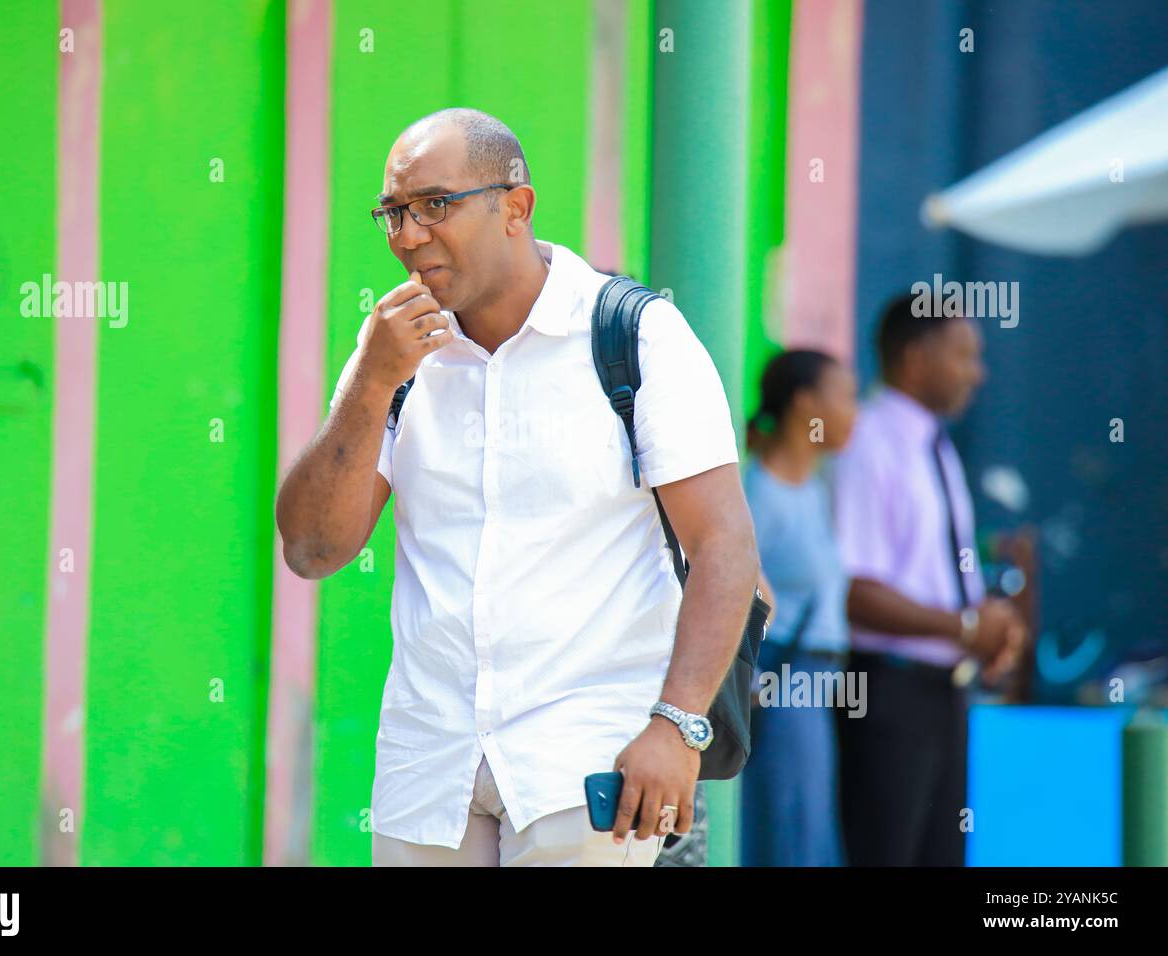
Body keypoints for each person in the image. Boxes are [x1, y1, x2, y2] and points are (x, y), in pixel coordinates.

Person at [275, 108, 760, 866]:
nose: (408, 234)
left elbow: (724, 544)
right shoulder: (395, 360)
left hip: (586, 760)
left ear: (515, 206)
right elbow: (311, 548)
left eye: (435, 205)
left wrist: (677, 725)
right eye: (393, 213)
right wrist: (370, 382)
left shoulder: (634, 336)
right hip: (428, 767)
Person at [832, 292, 1026, 866]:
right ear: (917, 357)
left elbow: (940, 577)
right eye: (964, 355)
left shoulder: (934, 449)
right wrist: (967, 626)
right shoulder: (870, 446)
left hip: (942, 689)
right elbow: (855, 590)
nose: (977, 373)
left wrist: (987, 627)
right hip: (888, 693)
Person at [738, 350, 857, 866]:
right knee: (791, 828)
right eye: (845, 397)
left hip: (817, 683)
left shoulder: (813, 490)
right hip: (784, 683)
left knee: (809, 826)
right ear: (806, 404)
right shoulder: (757, 492)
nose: (855, 413)